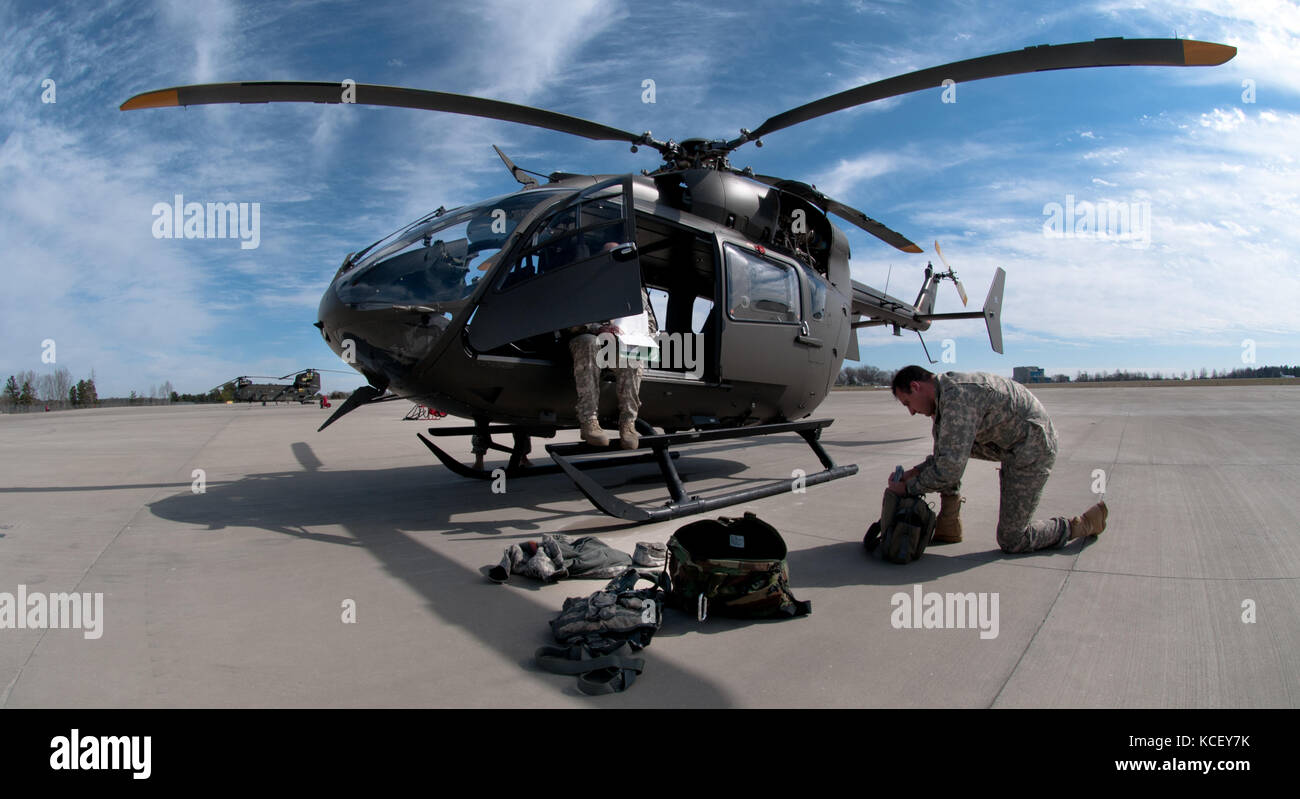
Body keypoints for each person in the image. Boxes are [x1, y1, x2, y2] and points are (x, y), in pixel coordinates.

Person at [887, 365, 1107, 553]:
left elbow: (949, 469)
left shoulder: (957, 397)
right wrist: (914, 473)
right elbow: (946, 456)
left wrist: (908, 488)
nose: (912, 412)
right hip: (1011, 444)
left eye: (908, 403)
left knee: (1012, 539)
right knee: (946, 444)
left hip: (1033, 449)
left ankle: (1081, 525)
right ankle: (949, 524)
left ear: (916, 387)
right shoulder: (947, 393)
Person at [567, 241, 656, 450]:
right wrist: (598, 328)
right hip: (592, 342)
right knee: (587, 341)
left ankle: (628, 422)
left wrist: (632, 333)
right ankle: (589, 420)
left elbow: (651, 324)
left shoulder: (637, 293)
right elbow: (571, 322)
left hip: (621, 346)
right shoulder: (587, 287)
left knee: (635, 354)